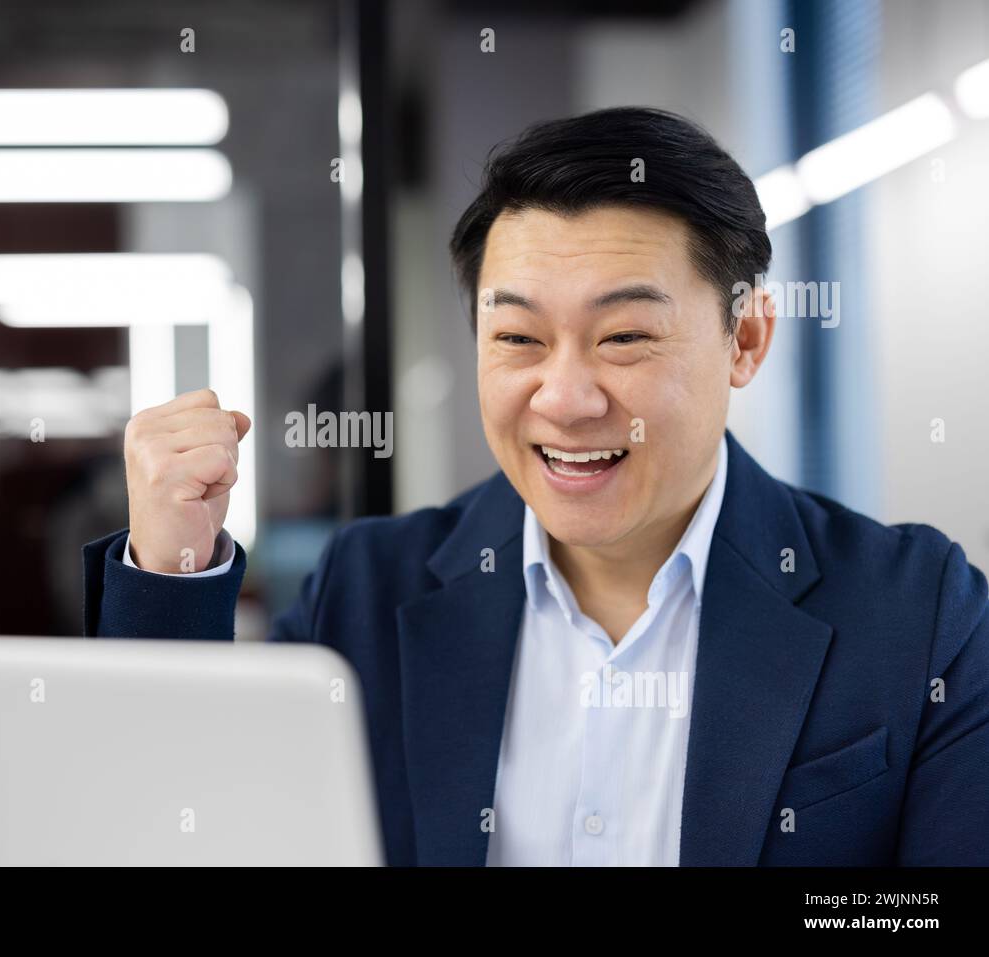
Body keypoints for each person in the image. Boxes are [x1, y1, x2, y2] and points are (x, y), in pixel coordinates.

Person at [83, 107, 989, 866]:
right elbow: (182, 832)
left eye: (625, 337)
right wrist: (172, 565)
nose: (565, 398)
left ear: (745, 339)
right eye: (517, 339)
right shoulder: (363, 592)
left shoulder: (919, 612)